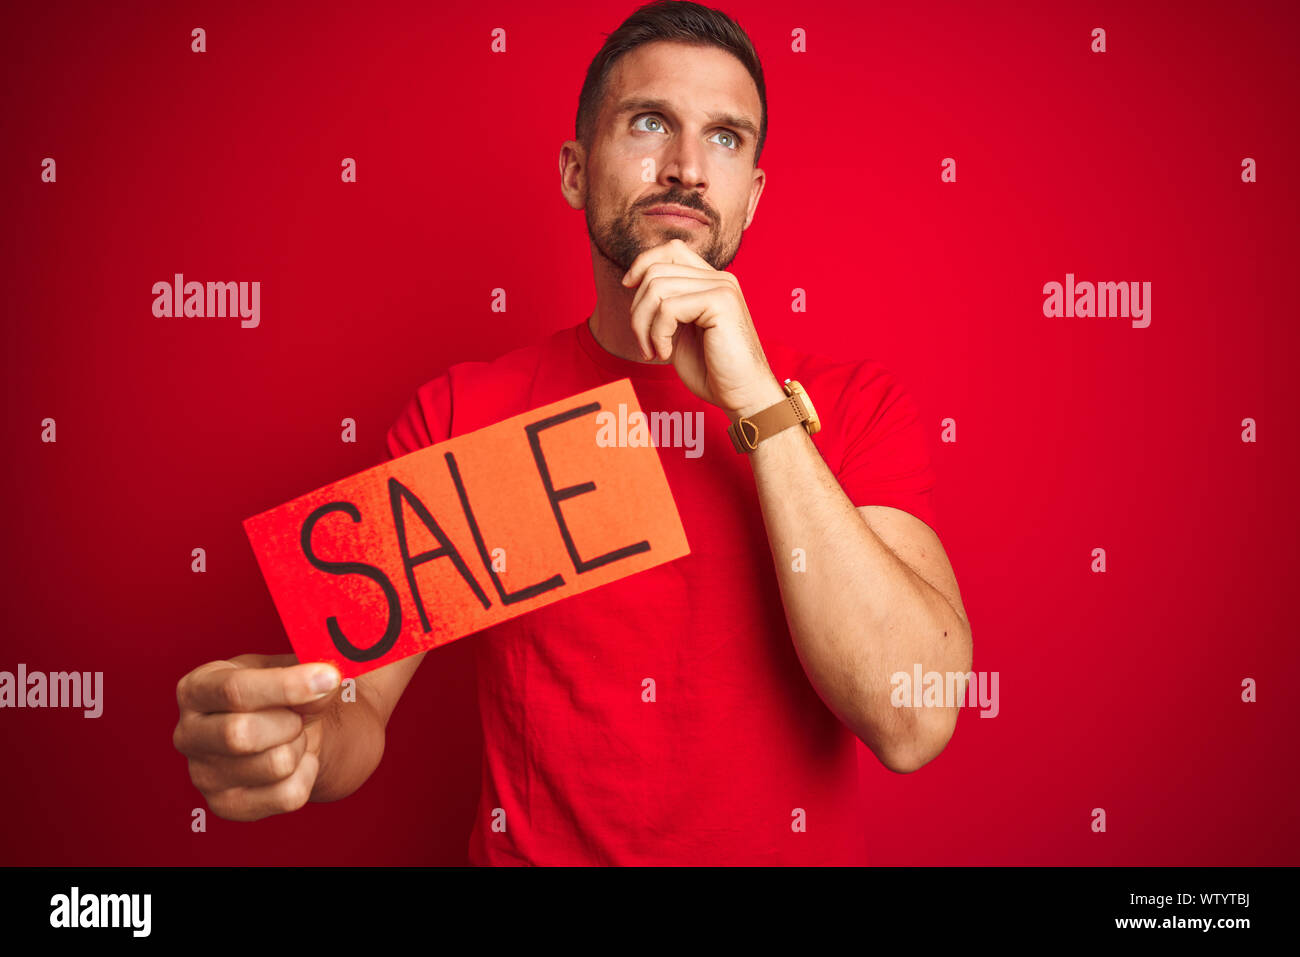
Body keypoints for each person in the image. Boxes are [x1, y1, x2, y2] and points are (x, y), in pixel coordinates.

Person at [173, 0, 972, 865]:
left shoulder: (853, 407)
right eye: (649, 124)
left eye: (727, 139)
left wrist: (762, 410)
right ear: (575, 170)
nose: (687, 168)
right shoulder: (462, 411)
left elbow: (913, 718)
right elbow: (355, 709)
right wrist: (296, 744)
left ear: (754, 194)